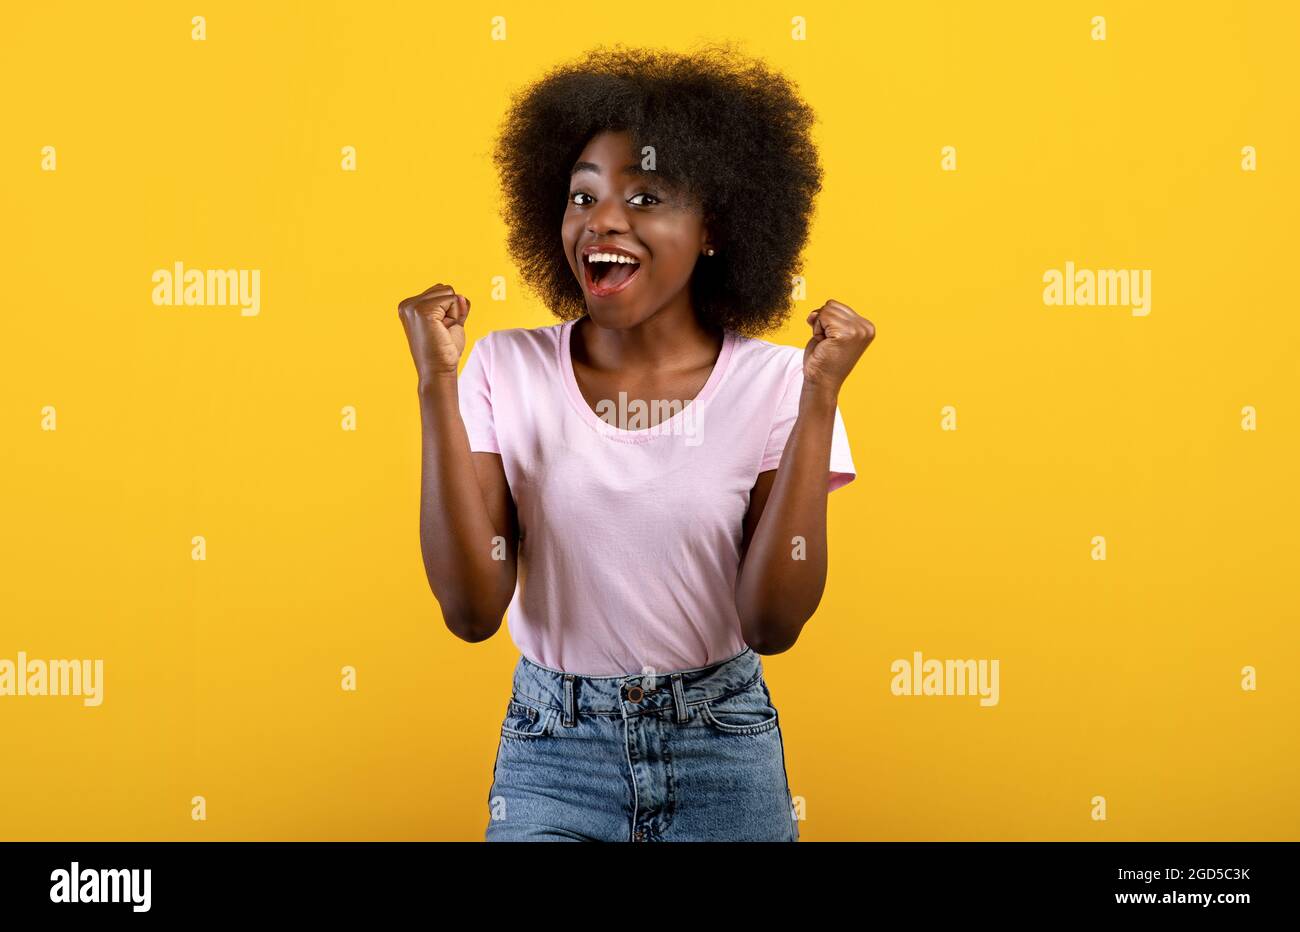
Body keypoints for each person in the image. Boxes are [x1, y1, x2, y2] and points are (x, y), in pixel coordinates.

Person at [397, 43, 875, 841]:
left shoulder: (779, 384)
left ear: (715, 227)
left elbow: (772, 626)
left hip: (720, 747)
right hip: (553, 753)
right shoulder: (502, 369)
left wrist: (819, 395)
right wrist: (433, 383)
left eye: (646, 196)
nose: (602, 220)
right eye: (581, 196)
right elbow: (472, 609)